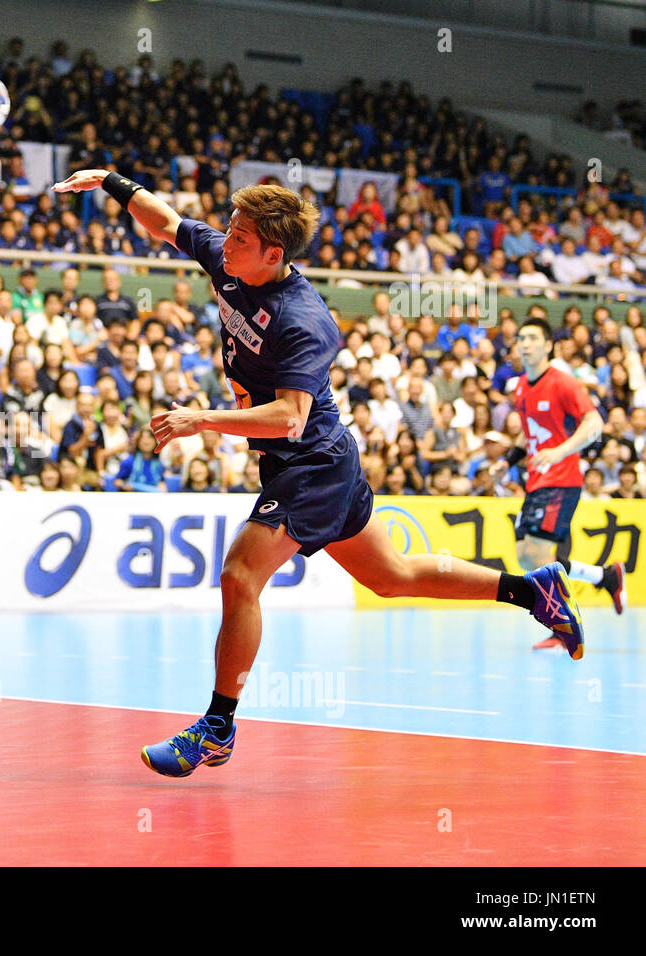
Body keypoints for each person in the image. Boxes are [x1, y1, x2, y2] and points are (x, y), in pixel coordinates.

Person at [53, 170, 587, 779]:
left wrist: (201, 417)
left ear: (273, 254)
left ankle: (217, 728)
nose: (226, 241)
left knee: (239, 575)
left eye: (240, 236)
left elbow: (287, 417)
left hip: (313, 463)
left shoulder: (304, 319)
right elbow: (169, 223)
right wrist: (112, 183)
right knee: (393, 576)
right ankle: (532, 590)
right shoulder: (232, 262)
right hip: (314, 457)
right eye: (230, 229)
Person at [507, 318, 626, 649]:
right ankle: (606, 577)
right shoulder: (520, 386)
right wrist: (508, 459)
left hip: (562, 479)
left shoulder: (563, 383)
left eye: (532, 337)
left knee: (539, 552)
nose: (525, 343)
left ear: (548, 345)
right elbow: (527, 428)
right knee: (526, 556)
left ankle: (563, 629)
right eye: (521, 338)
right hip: (536, 480)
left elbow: (594, 423)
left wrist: (558, 452)